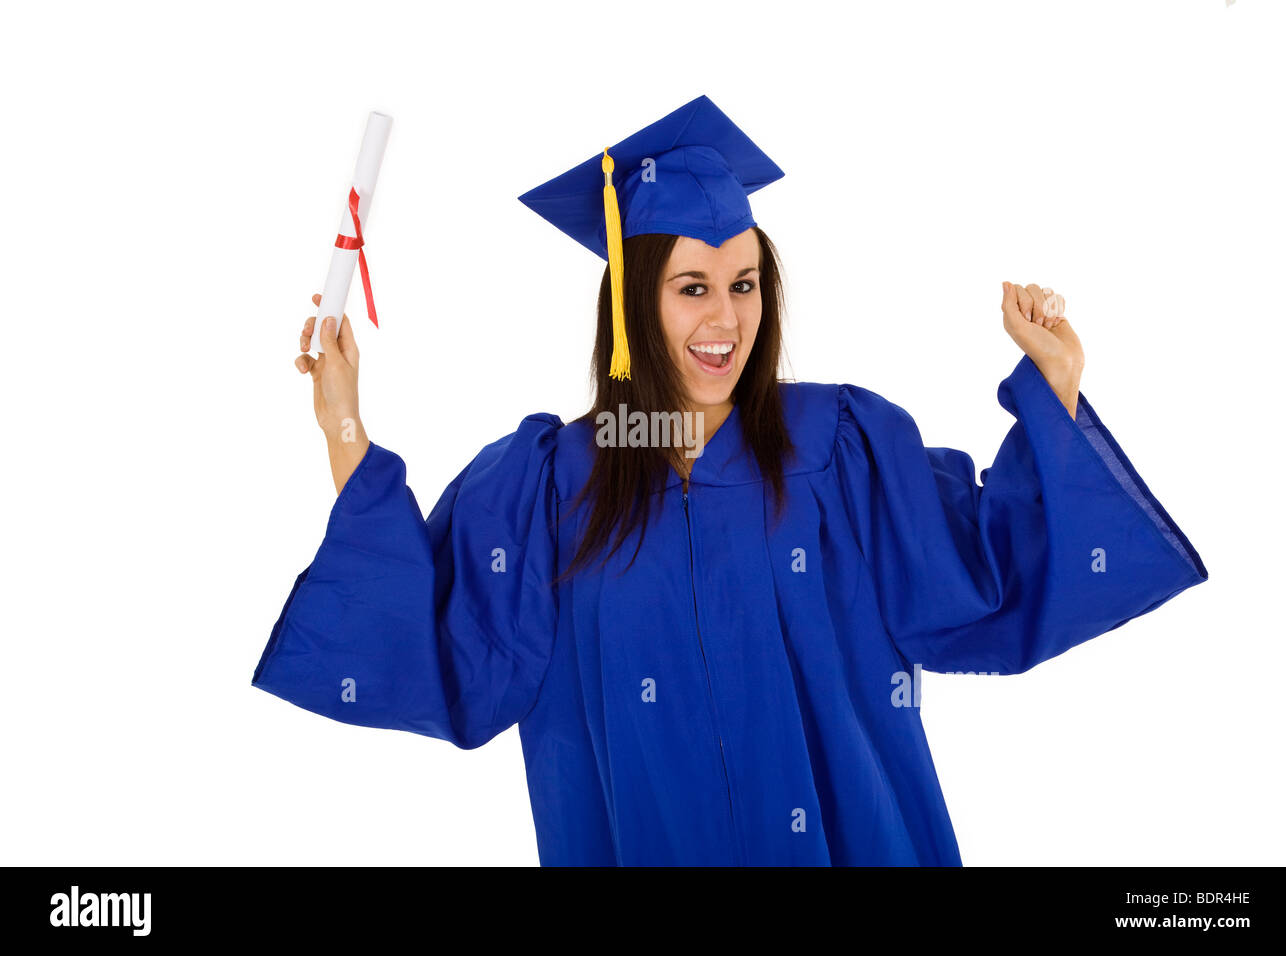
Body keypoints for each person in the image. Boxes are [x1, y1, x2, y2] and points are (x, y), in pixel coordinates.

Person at [252, 95, 1208, 866]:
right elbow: (433, 644)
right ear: (633, 302)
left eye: (744, 284)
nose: (725, 318)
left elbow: (987, 572)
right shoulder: (551, 488)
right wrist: (342, 418)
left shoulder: (839, 447)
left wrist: (1057, 389)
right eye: (692, 286)